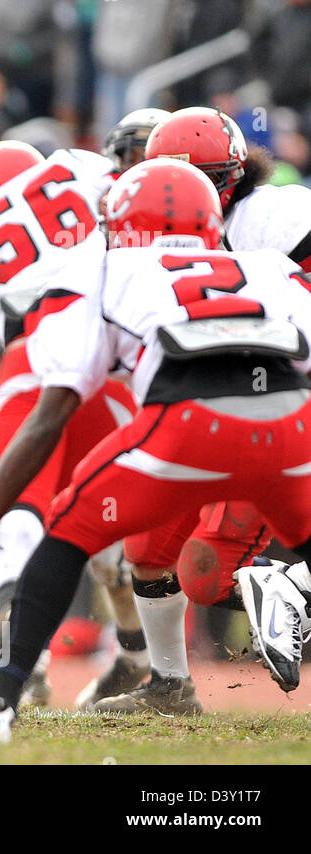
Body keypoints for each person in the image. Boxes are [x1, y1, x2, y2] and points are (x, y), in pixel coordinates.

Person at [0, 158, 311, 745]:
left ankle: (0, 702)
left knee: (65, 533)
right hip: (293, 430)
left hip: (189, 426)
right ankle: (285, 586)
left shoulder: (103, 267)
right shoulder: (265, 264)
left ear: (121, 221)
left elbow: (50, 415)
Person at [89, 106, 311, 712]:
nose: (194, 194)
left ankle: (287, 586)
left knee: (205, 572)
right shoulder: (151, 235)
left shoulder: (274, 220)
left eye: (211, 181)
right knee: (148, 549)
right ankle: (170, 687)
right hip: (208, 413)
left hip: (278, 408)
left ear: (235, 179)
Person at [0, 137, 147, 711]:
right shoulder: (78, 166)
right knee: (106, 522)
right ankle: (151, 662)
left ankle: (17, 662)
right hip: (107, 352)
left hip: (35, 348)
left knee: (24, 512)